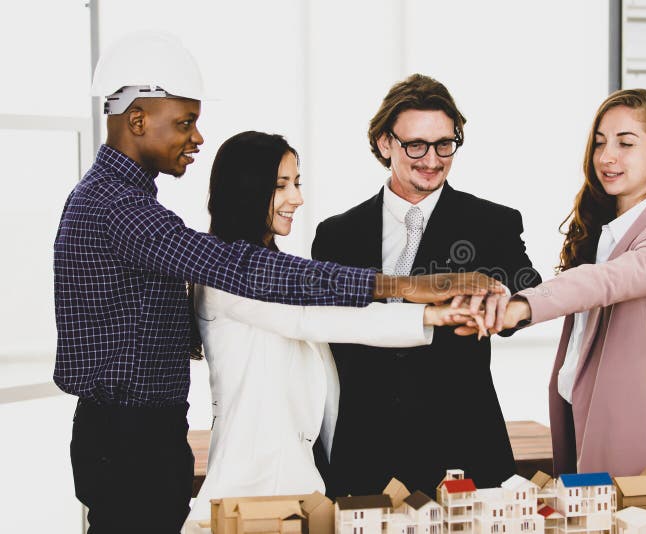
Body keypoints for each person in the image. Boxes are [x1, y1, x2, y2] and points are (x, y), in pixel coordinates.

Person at [55, 33, 500, 534]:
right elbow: (273, 291)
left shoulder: (128, 203)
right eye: (185, 123)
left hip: (150, 436)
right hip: (133, 439)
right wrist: (411, 293)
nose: (196, 137)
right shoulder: (120, 208)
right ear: (138, 120)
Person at [187, 131, 481, 521]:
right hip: (255, 491)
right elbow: (315, 316)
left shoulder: (267, 274)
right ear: (246, 191)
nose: (297, 198)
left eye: (297, 183)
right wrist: (427, 313)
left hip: (294, 487)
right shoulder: (228, 280)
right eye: (281, 186)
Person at [312, 73, 541, 497]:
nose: (432, 159)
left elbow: (526, 287)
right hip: (364, 453)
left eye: (444, 144)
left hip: (462, 449)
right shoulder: (336, 234)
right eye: (415, 145)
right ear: (385, 143)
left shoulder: (492, 222)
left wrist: (501, 298)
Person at [487, 88, 646, 477]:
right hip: (578, 411)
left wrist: (521, 306)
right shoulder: (606, 234)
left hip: (634, 427)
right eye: (600, 143)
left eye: (626, 143)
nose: (607, 157)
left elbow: (601, 282)